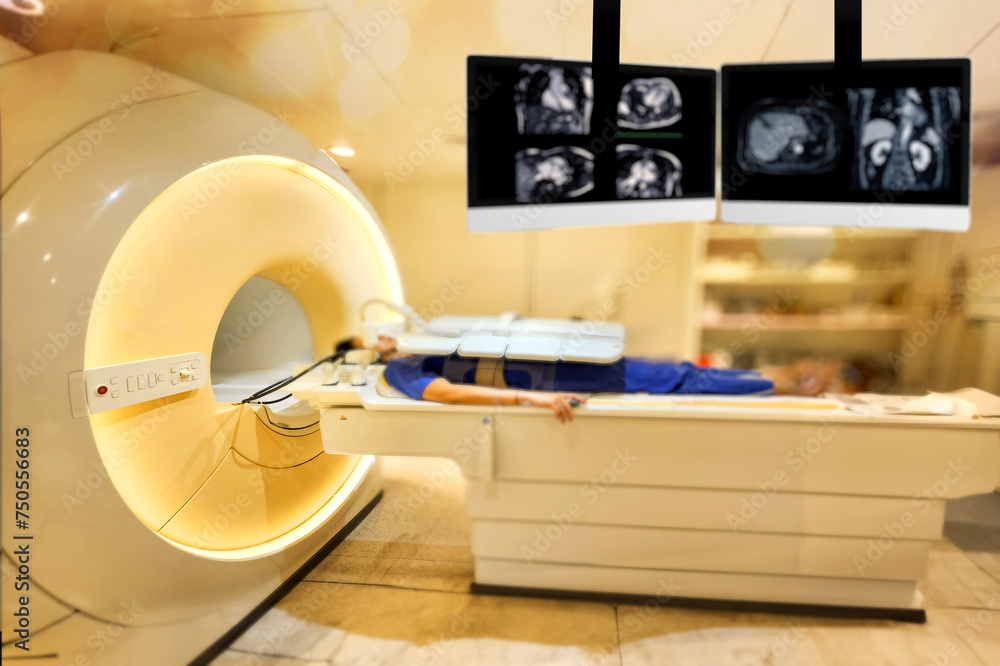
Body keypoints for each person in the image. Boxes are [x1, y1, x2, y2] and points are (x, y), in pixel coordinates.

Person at [341, 336, 835, 422]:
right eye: (375, 340)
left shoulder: (420, 342)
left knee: (679, 369)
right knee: (680, 377)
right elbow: (447, 393)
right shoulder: (400, 367)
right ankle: (786, 384)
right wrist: (532, 401)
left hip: (560, 360)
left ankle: (778, 379)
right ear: (366, 352)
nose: (386, 339)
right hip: (548, 377)